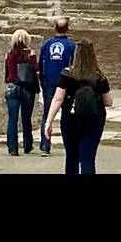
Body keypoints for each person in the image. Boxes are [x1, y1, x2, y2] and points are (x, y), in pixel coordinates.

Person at [43, 39, 112, 174]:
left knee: (72, 158)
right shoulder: (100, 77)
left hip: (71, 119)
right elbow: (108, 101)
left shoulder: (67, 74)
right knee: (88, 159)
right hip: (94, 120)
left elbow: (58, 98)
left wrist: (49, 121)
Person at [37, 17, 75, 157]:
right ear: (67, 29)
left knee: (47, 115)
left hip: (49, 83)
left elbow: (41, 65)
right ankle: (69, 145)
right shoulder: (71, 46)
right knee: (67, 115)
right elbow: (74, 66)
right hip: (66, 84)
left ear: (55, 28)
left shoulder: (47, 44)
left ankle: (45, 146)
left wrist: (43, 81)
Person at [3, 29, 38, 156]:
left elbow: (7, 72)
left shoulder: (9, 54)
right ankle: (27, 145)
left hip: (12, 87)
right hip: (27, 89)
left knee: (12, 119)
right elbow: (36, 69)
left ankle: (13, 147)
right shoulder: (30, 54)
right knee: (26, 118)